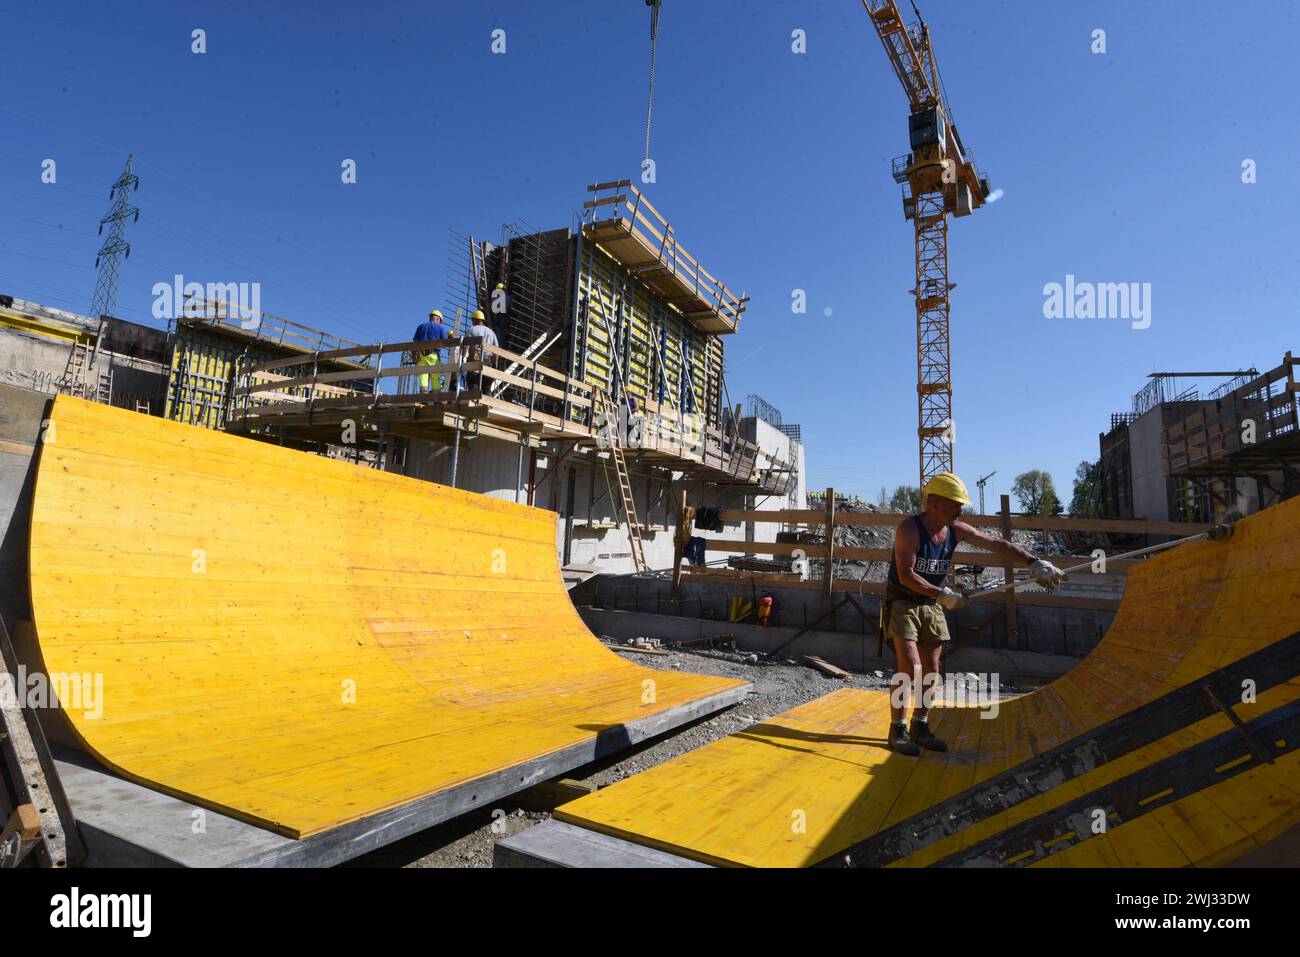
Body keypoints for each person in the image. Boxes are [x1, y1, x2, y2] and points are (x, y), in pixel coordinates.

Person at [883, 472, 1063, 756]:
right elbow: (905, 576)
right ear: (937, 503)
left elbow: (995, 544)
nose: (961, 509)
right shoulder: (909, 529)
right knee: (911, 668)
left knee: (932, 669)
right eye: (957, 503)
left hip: (931, 604)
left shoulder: (955, 529)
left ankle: (920, 725)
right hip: (904, 603)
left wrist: (1034, 561)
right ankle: (897, 729)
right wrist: (943, 594)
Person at [413, 309, 448, 392]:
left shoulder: (421, 326)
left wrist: (415, 354)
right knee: (435, 377)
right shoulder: (440, 327)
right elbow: (446, 342)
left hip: (421, 355)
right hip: (434, 355)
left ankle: (423, 396)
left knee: (423, 375)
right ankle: (436, 397)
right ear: (438, 319)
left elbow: (415, 341)